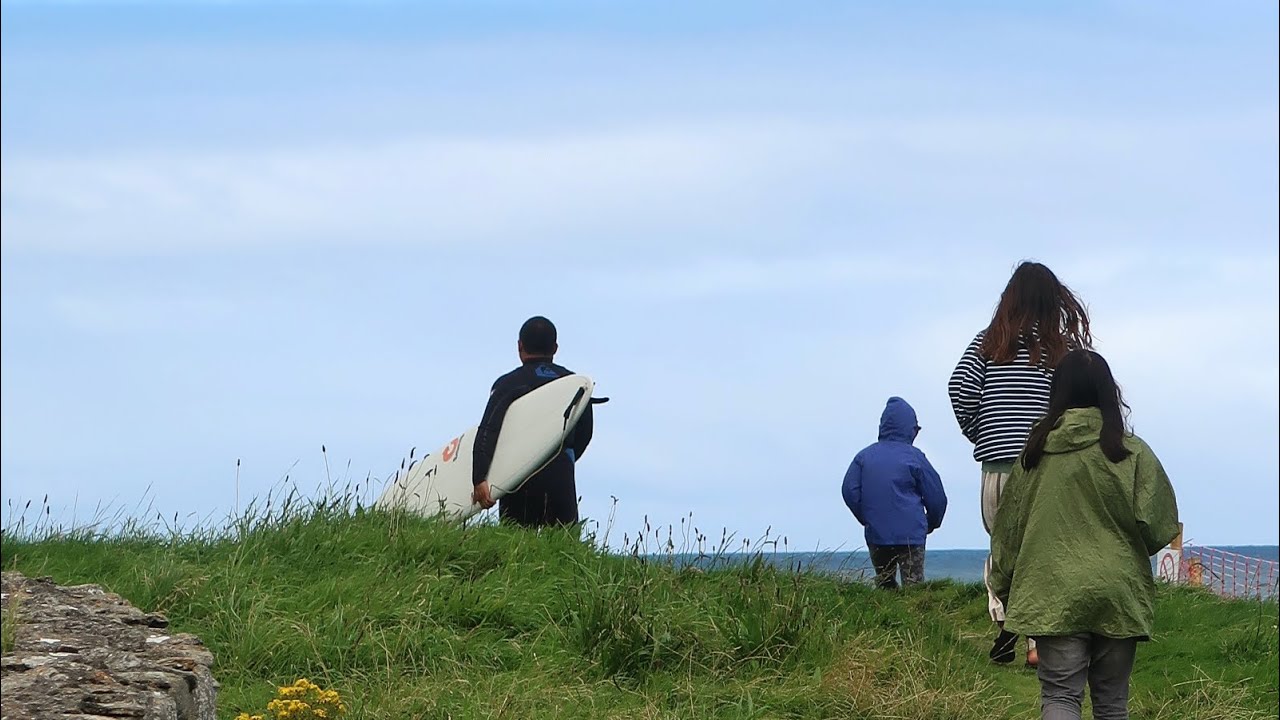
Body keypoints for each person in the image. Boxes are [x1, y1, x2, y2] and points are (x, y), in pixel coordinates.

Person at [989, 350, 1179, 720]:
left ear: (1056, 393)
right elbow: (1159, 527)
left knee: (1060, 697)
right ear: (1110, 393)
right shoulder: (1131, 452)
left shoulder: (1034, 454)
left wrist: (1004, 586)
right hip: (1117, 592)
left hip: (1053, 590)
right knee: (1111, 704)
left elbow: (1007, 533)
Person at [948, 260, 1092, 667]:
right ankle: (1035, 641)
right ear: (1054, 302)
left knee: (1002, 549)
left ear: (1009, 298)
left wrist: (981, 432)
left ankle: (1005, 623)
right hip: (1047, 466)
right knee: (1041, 551)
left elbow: (959, 388)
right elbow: (1078, 402)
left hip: (996, 467)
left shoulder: (988, 342)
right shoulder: (1061, 349)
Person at [471, 316, 594, 528]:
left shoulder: (508, 384)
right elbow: (585, 432)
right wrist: (562, 460)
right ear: (555, 348)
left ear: (520, 346)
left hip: (520, 473)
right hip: (561, 473)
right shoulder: (574, 384)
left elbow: (489, 430)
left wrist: (480, 477)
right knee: (564, 548)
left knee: (516, 547)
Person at [841, 397, 948, 590]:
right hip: (911, 536)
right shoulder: (915, 457)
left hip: (877, 534)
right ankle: (915, 618)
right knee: (914, 588)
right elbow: (937, 497)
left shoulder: (864, 457)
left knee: (885, 584)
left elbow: (849, 491)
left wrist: (866, 517)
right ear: (910, 429)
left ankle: (884, 618)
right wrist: (930, 523)